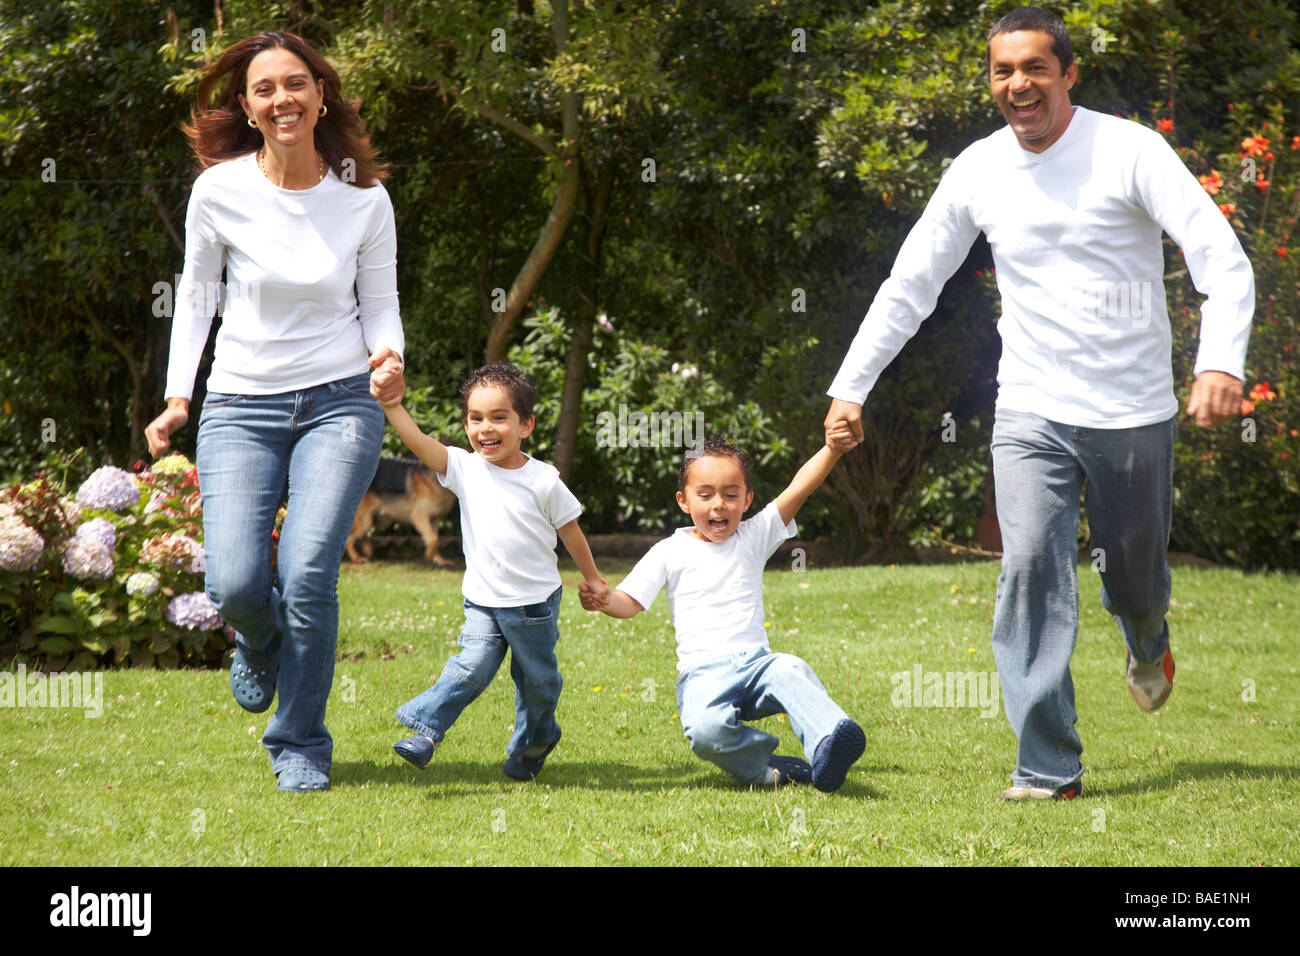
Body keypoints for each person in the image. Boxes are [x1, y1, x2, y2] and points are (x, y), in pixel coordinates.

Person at [823, 7, 1254, 800]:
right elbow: (911, 282)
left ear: (1067, 74)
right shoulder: (978, 169)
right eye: (1002, 71)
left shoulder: (1129, 150)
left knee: (1133, 575)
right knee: (1028, 568)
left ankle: (1147, 635)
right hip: (1030, 408)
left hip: (1131, 409)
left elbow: (1220, 257)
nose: (1018, 85)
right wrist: (852, 384)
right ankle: (1049, 767)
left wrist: (1219, 360)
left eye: (1034, 69)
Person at [144, 31, 407, 793]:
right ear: (248, 107)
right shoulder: (220, 191)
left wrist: (388, 357)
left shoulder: (363, 196)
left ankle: (300, 742)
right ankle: (257, 640)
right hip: (238, 404)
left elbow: (381, 304)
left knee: (310, 569)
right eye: (265, 89)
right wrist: (177, 397)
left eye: (297, 84)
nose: (282, 98)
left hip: (339, 403)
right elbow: (198, 299)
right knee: (233, 583)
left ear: (322, 95)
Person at [580, 435, 866, 792]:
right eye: (706, 495)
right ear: (683, 501)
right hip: (702, 677)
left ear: (746, 500)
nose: (719, 505)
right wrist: (604, 600)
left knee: (791, 668)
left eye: (731, 495)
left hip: (757, 665)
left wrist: (833, 449)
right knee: (705, 732)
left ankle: (827, 743)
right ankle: (764, 768)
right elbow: (630, 602)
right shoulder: (668, 551)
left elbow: (799, 488)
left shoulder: (753, 536)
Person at [384, 362, 609, 780]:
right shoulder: (463, 468)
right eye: (475, 418)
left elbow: (572, 533)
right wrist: (392, 405)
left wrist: (594, 579)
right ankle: (427, 731)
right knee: (473, 664)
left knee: (538, 685)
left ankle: (536, 741)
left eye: (499, 417)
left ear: (526, 425)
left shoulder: (543, 481)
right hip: (483, 603)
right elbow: (417, 443)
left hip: (534, 606)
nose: (485, 427)